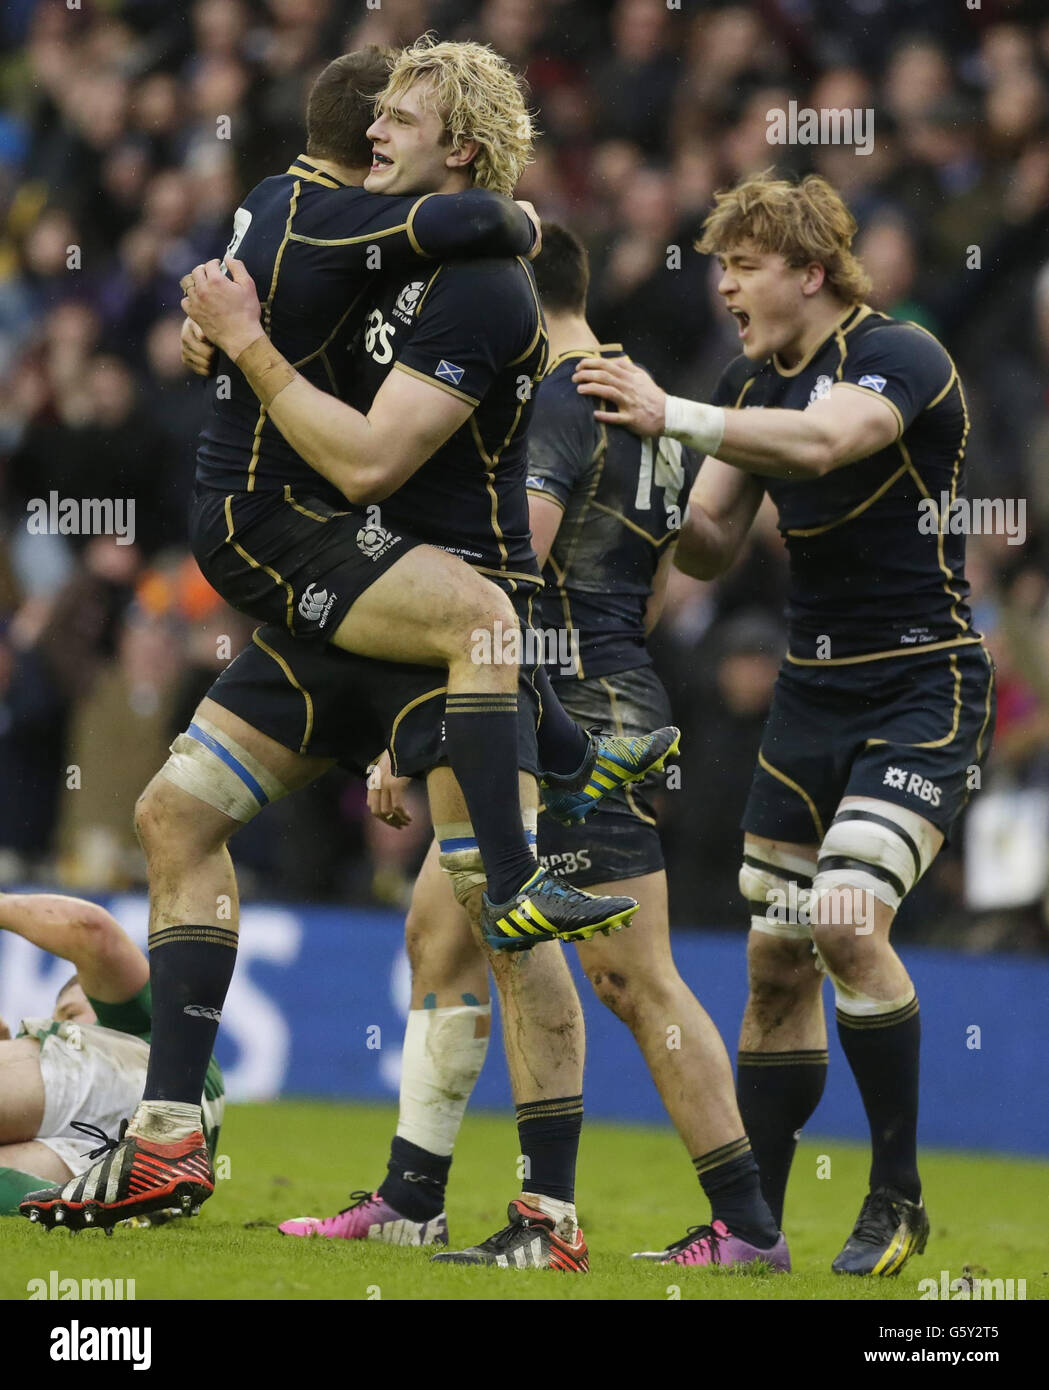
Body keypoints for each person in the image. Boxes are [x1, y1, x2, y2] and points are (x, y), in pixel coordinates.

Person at [19, 38, 674, 1235]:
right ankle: (173, 1132)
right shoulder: (362, 237)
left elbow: (372, 457)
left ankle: (547, 1210)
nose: (375, 129)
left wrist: (248, 343)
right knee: (174, 816)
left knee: (491, 912)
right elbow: (244, 332)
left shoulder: (483, 283)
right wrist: (207, 326)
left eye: (404, 117)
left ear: (460, 152)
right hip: (341, 599)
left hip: (441, 611)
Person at [278, 225, 790, 1274]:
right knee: (441, 926)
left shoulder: (555, 394)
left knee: (628, 975)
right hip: (589, 685)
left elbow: (519, 566)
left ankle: (734, 1222)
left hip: (567, 710)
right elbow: (689, 548)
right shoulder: (631, 396)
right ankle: (413, 1195)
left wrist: (419, 723)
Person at [572, 170, 996, 1276]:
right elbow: (712, 540)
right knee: (773, 960)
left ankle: (894, 1197)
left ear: (810, 273)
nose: (723, 288)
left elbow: (817, 446)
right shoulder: (745, 379)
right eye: (716, 267)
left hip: (918, 684)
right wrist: (662, 477)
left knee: (847, 920)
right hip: (810, 697)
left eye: (743, 267)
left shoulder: (898, 355)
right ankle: (750, 1231)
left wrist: (683, 415)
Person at [0, 892, 223, 1221]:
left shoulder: (146, 1022)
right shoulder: (189, 1076)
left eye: (71, 1013)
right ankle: (131, 1211)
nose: (60, 1026)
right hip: (136, 1167)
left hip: (117, 1083)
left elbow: (92, 929)